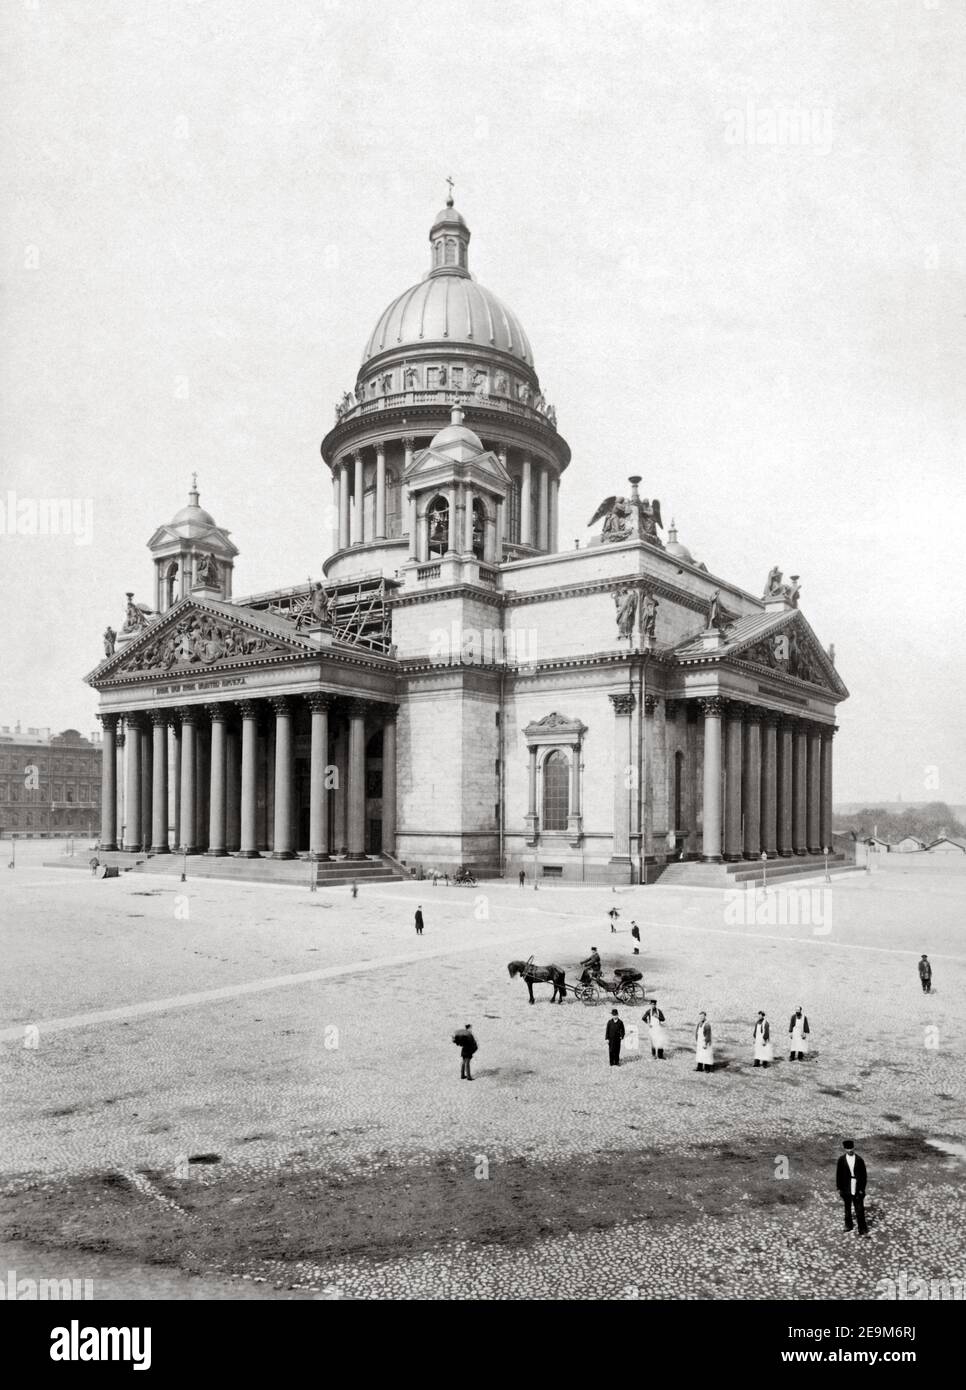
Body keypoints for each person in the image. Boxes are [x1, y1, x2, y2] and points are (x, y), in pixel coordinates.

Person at [835, 1139, 868, 1235]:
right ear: (844, 1149)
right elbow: (838, 1175)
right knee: (847, 1208)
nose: (849, 1150)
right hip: (846, 1187)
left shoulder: (859, 1160)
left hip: (857, 1187)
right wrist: (839, 1188)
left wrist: (862, 1189)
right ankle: (848, 1225)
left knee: (859, 1208)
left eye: (851, 1148)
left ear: (854, 1148)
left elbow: (864, 1176)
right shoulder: (841, 1160)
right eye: (847, 1149)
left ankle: (862, 1229)